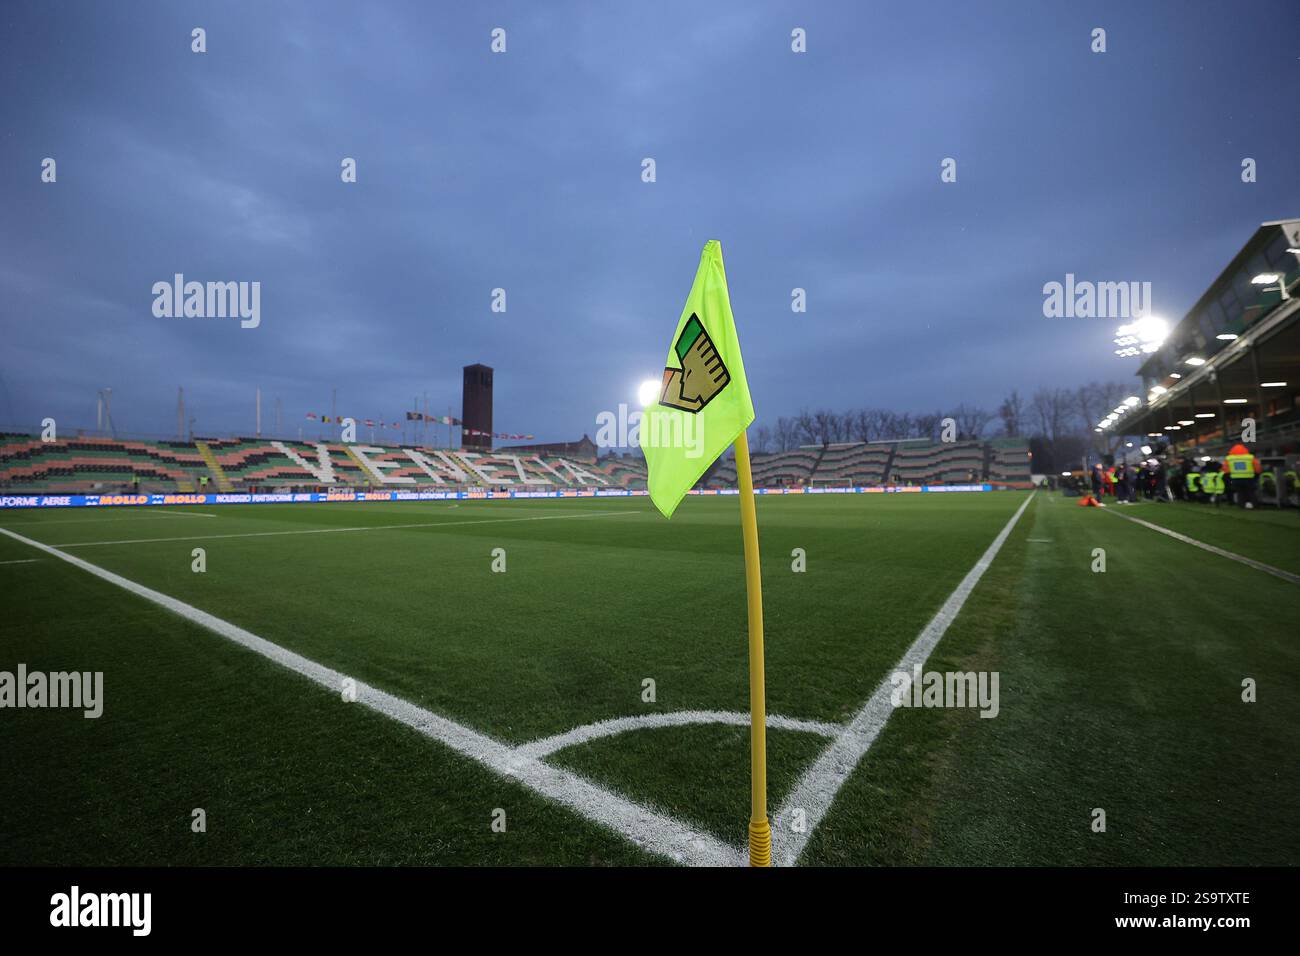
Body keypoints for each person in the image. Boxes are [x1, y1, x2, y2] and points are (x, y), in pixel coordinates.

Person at [1223, 443, 1260, 509]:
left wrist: (1229, 476)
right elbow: (1257, 467)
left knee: (1240, 493)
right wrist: (1257, 474)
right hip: (1249, 478)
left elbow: (1226, 469)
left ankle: (1241, 505)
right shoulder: (1250, 457)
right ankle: (1254, 505)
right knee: (1251, 492)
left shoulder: (1229, 458)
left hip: (1236, 479)